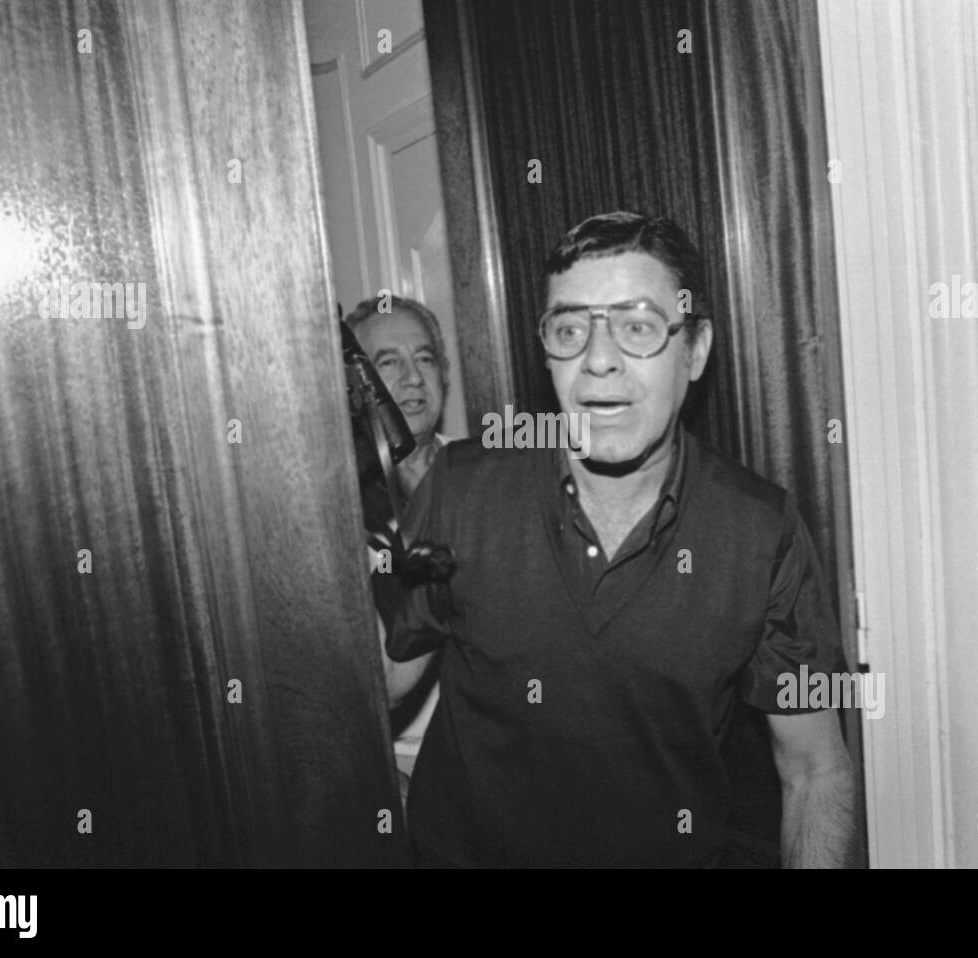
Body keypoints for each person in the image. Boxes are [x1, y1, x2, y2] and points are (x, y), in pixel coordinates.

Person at [380, 212, 854, 867]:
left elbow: (815, 770)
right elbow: (375, 684)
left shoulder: (760, 531)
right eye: (571, 329)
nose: (598, 361)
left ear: (695, 350)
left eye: (637, 327)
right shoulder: (460, 489)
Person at [346, 293, 453, 797]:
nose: (412, 378)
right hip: (401, 765)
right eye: (388, 363)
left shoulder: (487, 473)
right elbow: (384, 685)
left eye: (425, 358)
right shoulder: (339, 513)